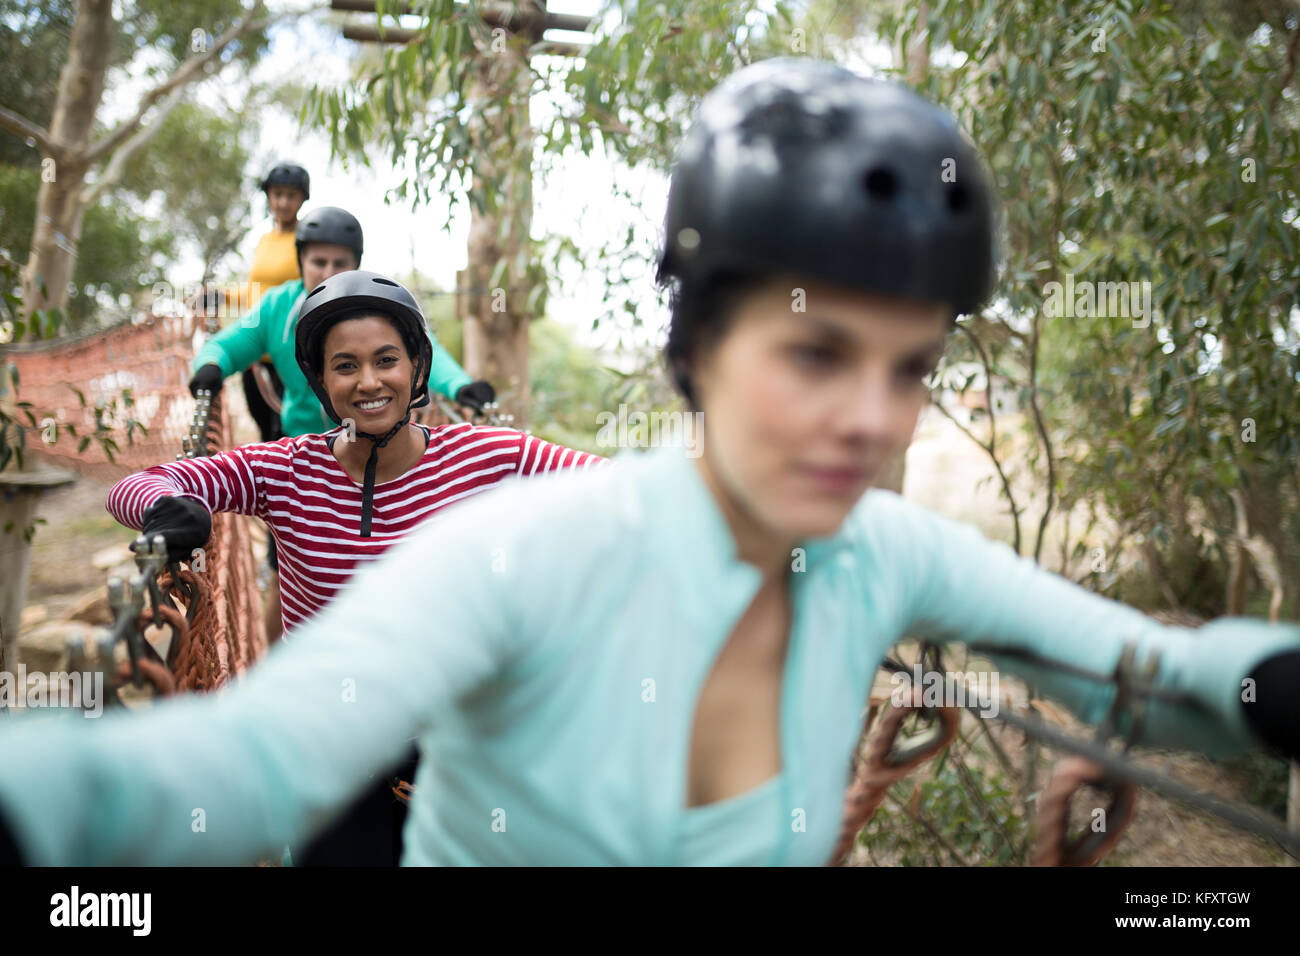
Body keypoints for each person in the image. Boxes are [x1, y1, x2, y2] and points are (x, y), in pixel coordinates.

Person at [0, 59, 1297, 866]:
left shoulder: (879, 556)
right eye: (816, 355)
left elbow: (1171, 675)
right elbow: (234, 768)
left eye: (909, 367)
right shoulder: (516, 560)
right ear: (698, 346)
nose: (870, 419)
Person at [110, 270, 603, 865]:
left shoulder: (485, 457)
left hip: (452, 748)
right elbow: (140, 484)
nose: (368, 382)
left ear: (417, 370)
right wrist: (168, 510)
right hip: (329, 748)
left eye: (386, 360)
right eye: (345, 366)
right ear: (320, 380)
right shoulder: (287, 470)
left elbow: (615, 492)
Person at [189, 205, 496, 642]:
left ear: (355, 264)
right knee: (288, 575)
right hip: (306, 468)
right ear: (301, 262)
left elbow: (425, 351)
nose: (327, 270)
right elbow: (229, 342)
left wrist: (462, 386)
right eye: (318, 261)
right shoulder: (278, 307)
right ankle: (280, 672)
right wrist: (210, 367)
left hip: (380, 455)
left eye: (339, 262)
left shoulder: (371, 312)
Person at [238, 163, 312, 447]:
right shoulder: (264, 240)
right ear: (268, 196)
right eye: (277, 194)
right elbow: (255, 290)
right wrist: (222, 296)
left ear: (302, 199)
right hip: (256, 353)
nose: (282, 202)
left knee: (285, 433)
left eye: (290, 195)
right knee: (263, 431)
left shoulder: (306, 241)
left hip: (288, 351)